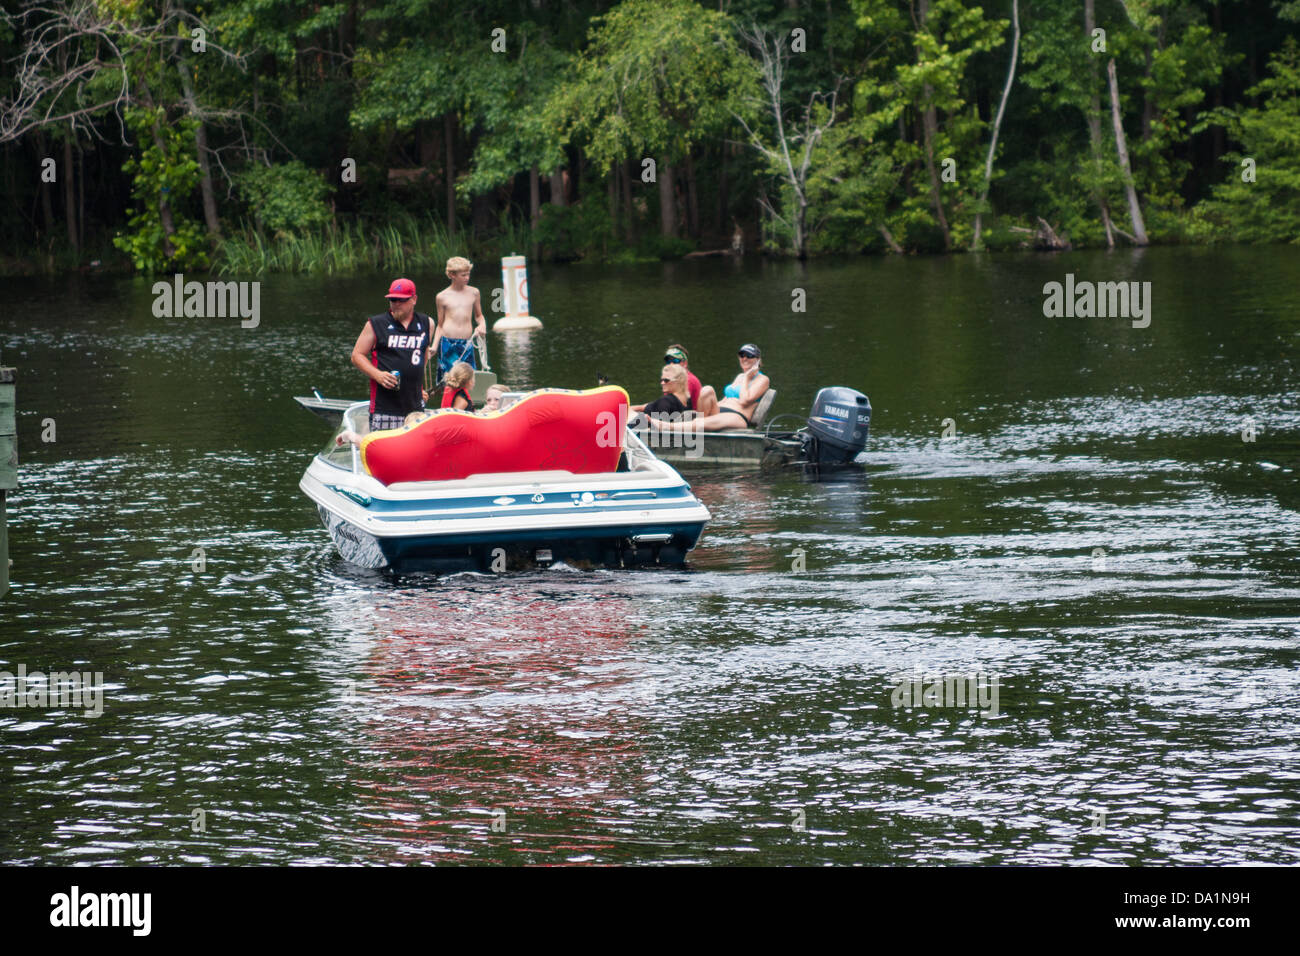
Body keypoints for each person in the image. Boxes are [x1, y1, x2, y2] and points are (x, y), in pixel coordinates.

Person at [350, 277, 432, 432]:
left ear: (414, 299)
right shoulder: (376, 324)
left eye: (401, 300)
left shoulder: (427, 323)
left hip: (415, 407)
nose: (396, 304)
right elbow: (357, 355)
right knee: (384, 453)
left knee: (414, 453)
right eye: (393, 300)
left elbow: (422, 355)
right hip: (385, 407)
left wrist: (419, 388)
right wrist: (377, 374)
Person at [654, 343, 769, 432]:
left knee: (700, 422)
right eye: (741, 355)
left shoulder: (762, 380)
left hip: (738, 416)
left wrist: (747, 377)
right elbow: (725, 399)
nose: (744, 358)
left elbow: (744, 401)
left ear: (757, 359)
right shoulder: (740, 376)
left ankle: (666, 427)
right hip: (720, 411)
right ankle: (693, 426)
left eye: (749, 356)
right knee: (707, 389)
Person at [433, 256, 488, 383]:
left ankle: (467, 403)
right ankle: (448, 402)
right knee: (448, 380)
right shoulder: (442, 296)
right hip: (447, 343)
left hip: (466, 343)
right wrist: (434, 346)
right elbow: (440, 325)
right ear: (452, 275)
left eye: (468, 274)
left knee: (468, 379)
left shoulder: (474, 292)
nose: (467, 278)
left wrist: (482, 325)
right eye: (463, 275)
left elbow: (479, 316)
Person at [663, 344, 702, 411]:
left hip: (691, 418)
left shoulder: (688, 380)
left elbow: (675, 406)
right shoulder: (672, 380)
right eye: (668, 361)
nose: (671, 364)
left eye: (675, 361)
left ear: (685, 363)